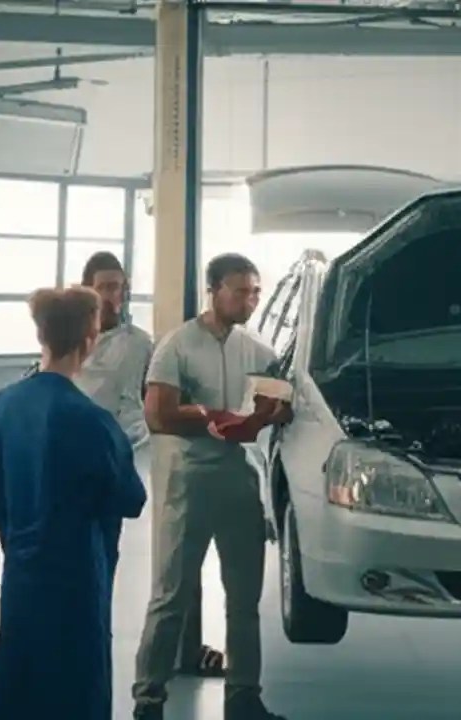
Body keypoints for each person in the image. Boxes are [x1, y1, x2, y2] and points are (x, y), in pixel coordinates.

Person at [0, 286, 147, 720]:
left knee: (18, 675)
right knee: (77, 681)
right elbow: (131, 497)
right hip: (78, 573)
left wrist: (6, 523)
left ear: (42, 337)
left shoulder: (0, 407)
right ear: (89, 339)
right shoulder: (92, 421)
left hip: (21, 569)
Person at [132, 253, 292, 720]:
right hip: (191, 482)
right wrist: (215, 418)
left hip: (240, 483)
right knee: (171, 595)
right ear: (214, 290)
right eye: (241, 290)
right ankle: (149, 701)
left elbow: (283, 402)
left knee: (244, 598)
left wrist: (263, 415)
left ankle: (243, 698)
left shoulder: (256, 351)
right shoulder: (176, 346)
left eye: (256, 291)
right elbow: (159, 415)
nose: (251, 299)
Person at [74, 252, 227, 677]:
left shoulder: (140, 344)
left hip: (116, 460)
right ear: (86, 287)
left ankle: (156, 650)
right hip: (67, 462)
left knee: (103, 557)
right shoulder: (71, 340)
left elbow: (160, 398)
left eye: (119, 286)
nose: (114, 295)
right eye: (105, 286)